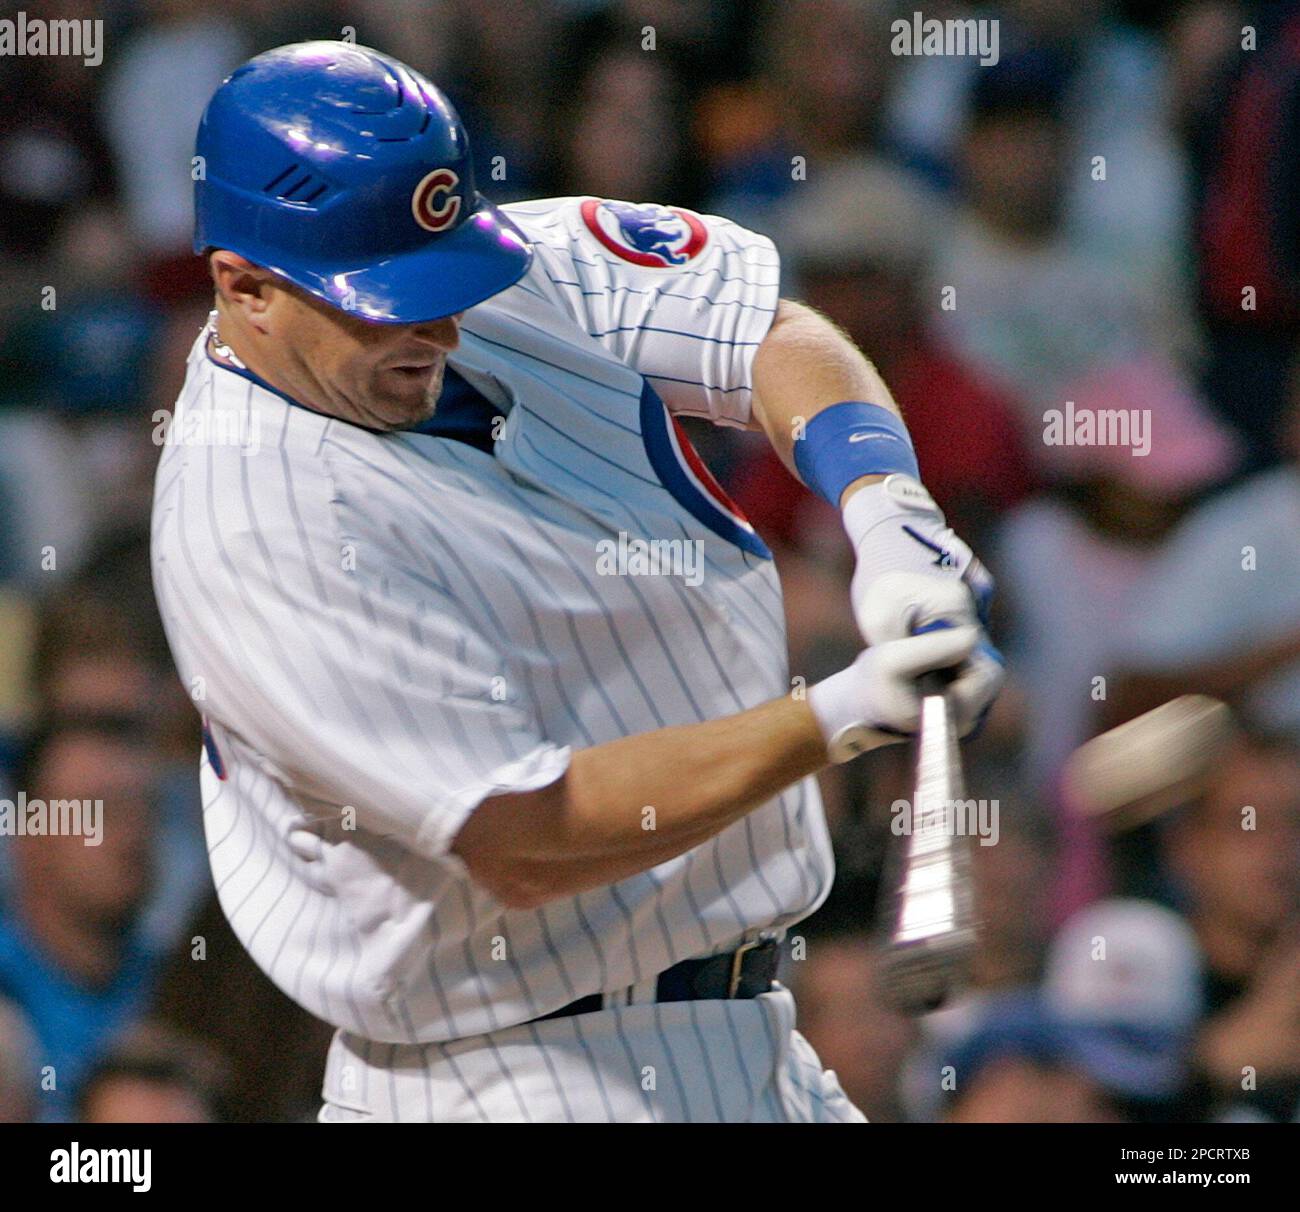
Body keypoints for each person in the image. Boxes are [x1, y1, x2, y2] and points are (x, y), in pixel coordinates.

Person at [152, 41, 1002, 1124]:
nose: (439, 325)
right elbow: (521, 838)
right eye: (387, 300)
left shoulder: (497, 272)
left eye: (443, 276)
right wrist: (834, 717)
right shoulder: (255, 525)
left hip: (743, 1033)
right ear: (244, 286)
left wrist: (884, 508)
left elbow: (767, 334)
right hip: (509, 1075)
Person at [0, 713, 162, 1121]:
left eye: (144, 807)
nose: (132, 833)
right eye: (100, 810)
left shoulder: (187, 988)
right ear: (27, 834)